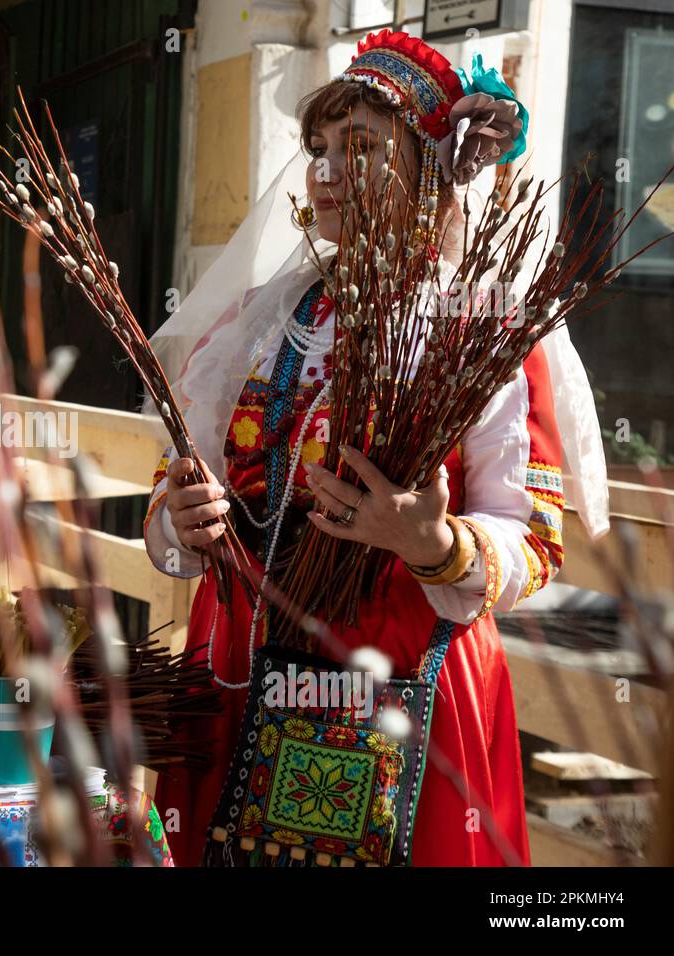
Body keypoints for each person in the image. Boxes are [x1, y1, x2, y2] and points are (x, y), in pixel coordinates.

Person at [143, 30, 610, 866]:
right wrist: (179, 520)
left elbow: (533, 540)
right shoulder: (265, 320)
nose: (324, 170)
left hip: (405, 699)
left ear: (430, 170)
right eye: (318, 147)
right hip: (240, 681)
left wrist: (430, 543)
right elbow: (185, 480)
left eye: (359, 147)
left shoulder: (483, 332)